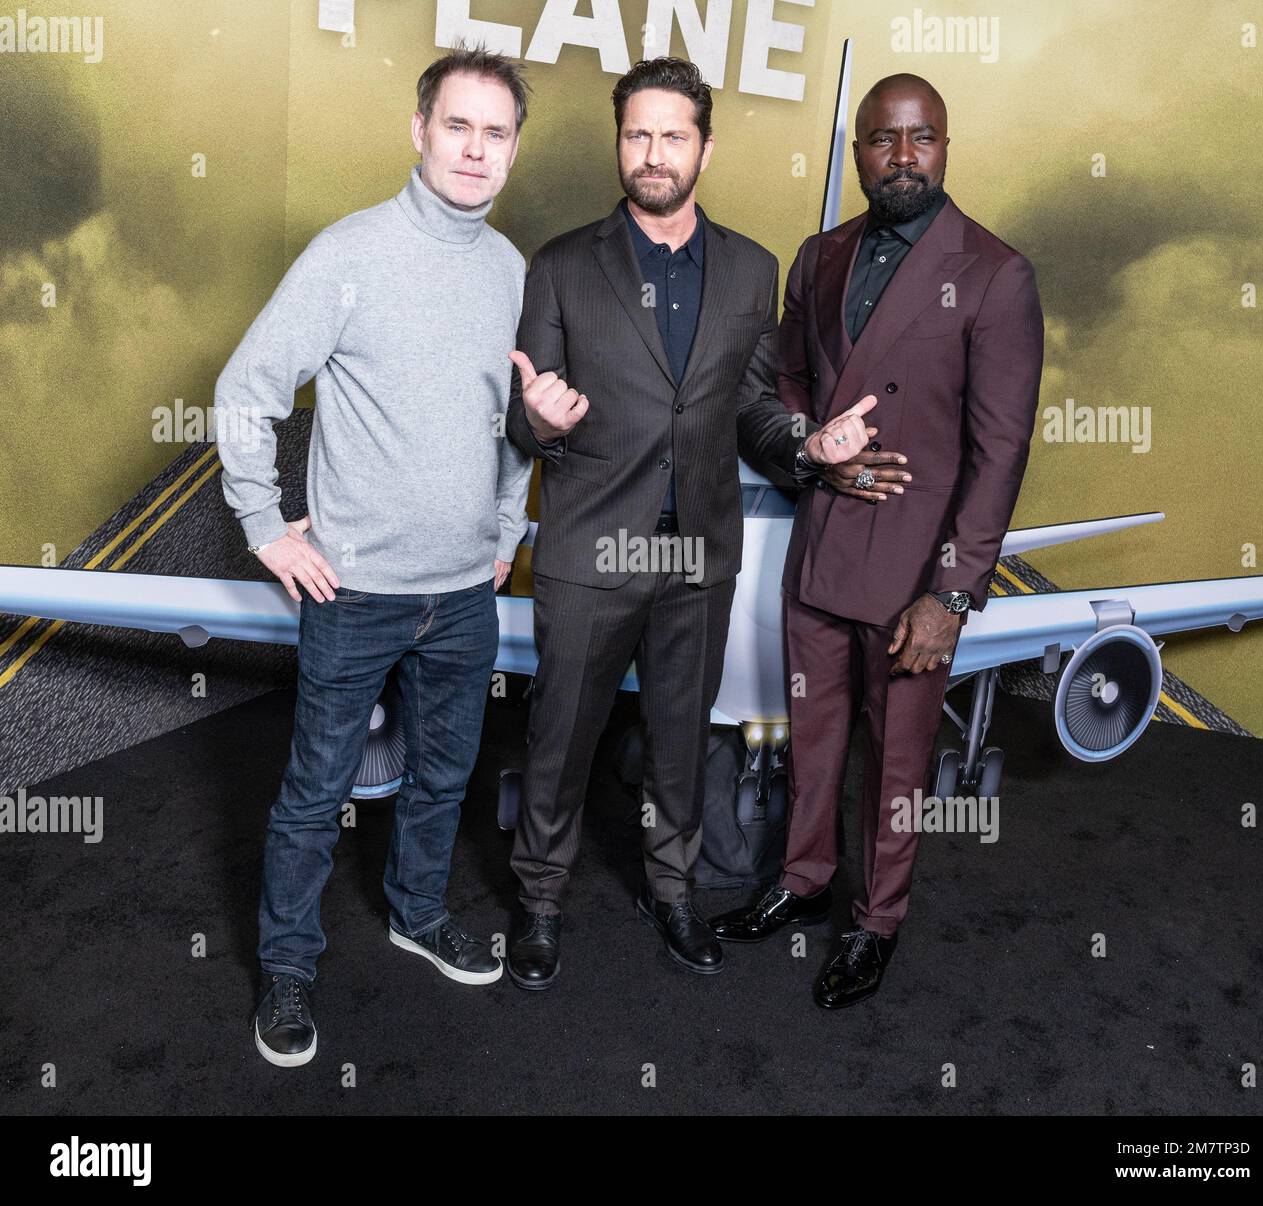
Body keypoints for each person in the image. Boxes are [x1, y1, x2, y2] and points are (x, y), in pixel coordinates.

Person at [503, 57, 876, 991]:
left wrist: (806, 445)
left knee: (681, 739)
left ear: (706, 148)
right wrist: (537, 421)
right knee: (560, 739)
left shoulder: (754, 270)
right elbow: (526, 414)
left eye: (673, 135)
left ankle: (671, 893)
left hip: (698, 554)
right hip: (591, 550)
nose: (654, 153)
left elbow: (751, 412)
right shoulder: (559, 264)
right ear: (618, 143)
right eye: (638, 134)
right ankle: (539, 902)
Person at [214, 45, 534, 1065]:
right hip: (355, 593)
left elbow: (513, 418)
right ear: (418, 130)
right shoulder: (349, 253)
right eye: (458, 126)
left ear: (513, 150)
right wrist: (265, 526)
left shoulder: (509, 268)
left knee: (444, 777)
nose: (475, 149)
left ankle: (415, 913)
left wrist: (507, 529)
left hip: (464, 591)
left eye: (495, 133)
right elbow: (246, 388)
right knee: (315, 794)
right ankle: (289, 972)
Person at [710, 73, 1045, 1009]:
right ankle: (804, 879)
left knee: (896, 760)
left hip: (913, 576)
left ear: (946, 146)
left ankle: (877, 921)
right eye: (883, 140)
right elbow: (780, 392)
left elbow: (1001, 450)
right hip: (821, 550)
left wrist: (955, 594)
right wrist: (812, 456)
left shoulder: (994, 272)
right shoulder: (818, 257)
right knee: (812, 738)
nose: (903, 157)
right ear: (858, 151)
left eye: (922, 138)